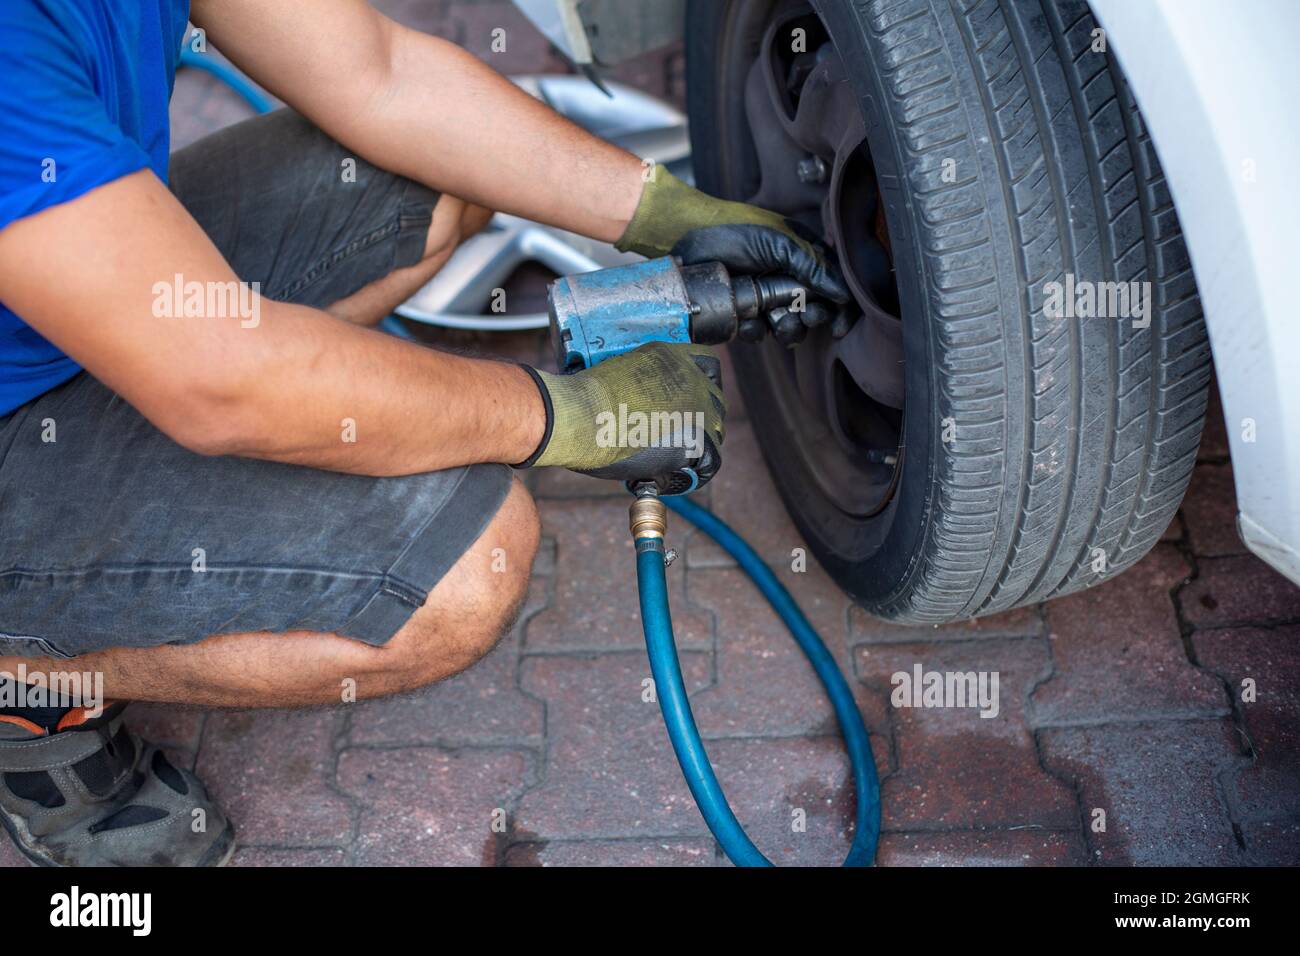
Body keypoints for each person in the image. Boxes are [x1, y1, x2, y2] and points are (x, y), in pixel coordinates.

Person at [0, 0, 847, 866]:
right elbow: (223, 380)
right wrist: (571, 417)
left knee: (434, 176)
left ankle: (174, 469)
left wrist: (668, 212)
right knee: (460, 572)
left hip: (72, 310)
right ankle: (23, 682)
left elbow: (381, 74)